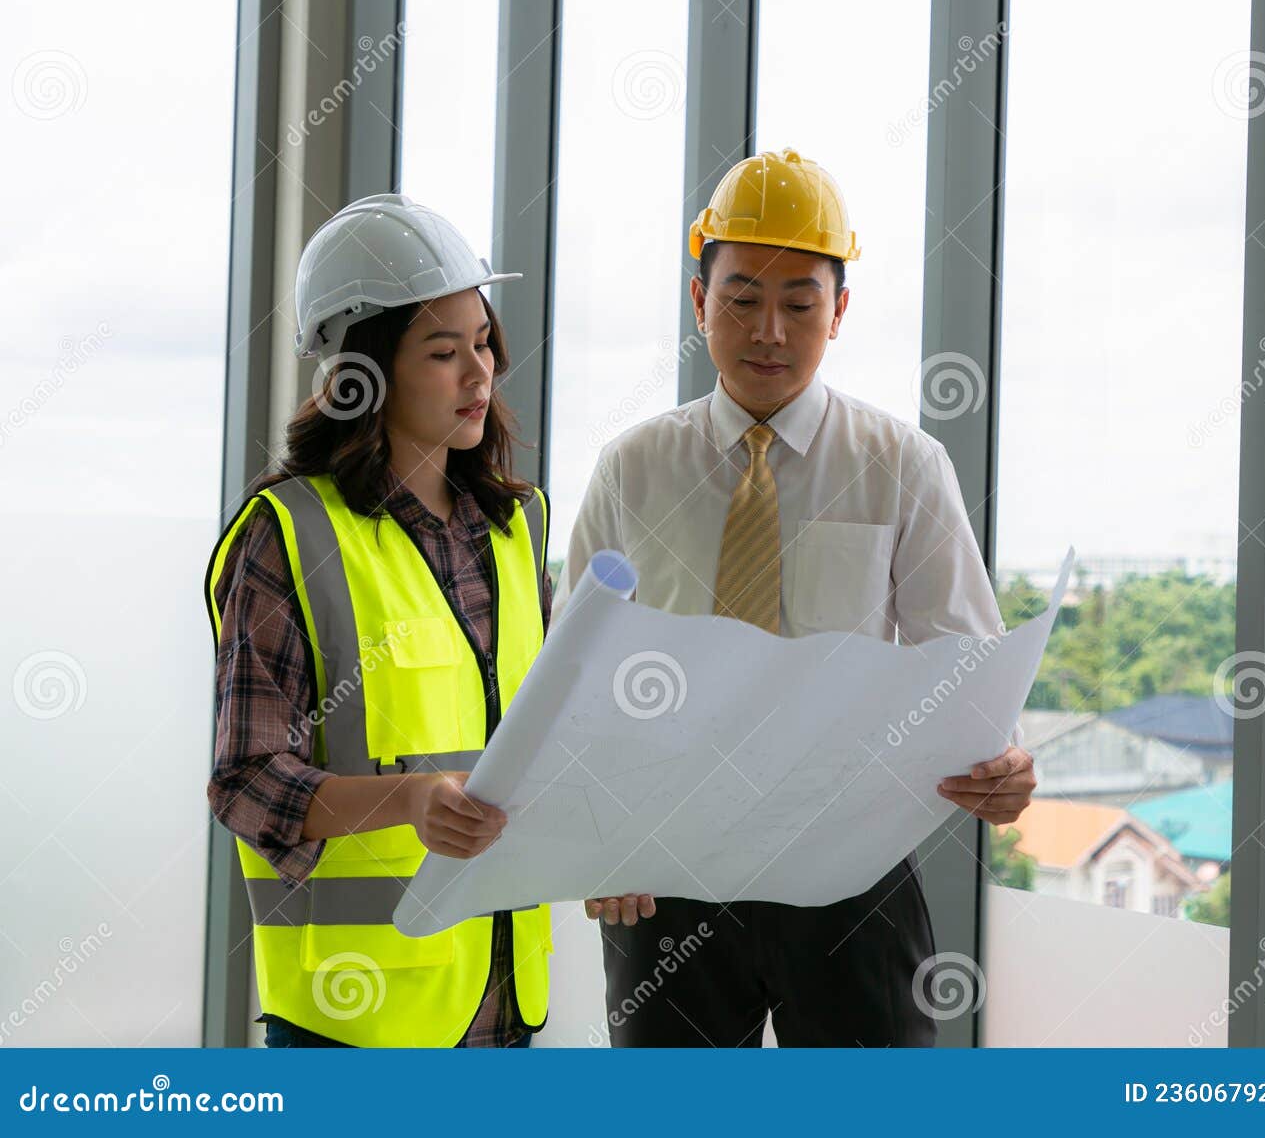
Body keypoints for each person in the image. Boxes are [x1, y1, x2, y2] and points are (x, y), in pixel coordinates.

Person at [553, 149, 1038, 1047]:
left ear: (839, 311)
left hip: (849, 863)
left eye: (800, 303)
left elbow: (968, 667)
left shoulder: (899, 465)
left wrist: (1003, 762)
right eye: (741, 298)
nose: (768, 329)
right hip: (668, 868)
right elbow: (571, 673)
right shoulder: (634, 467)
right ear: (699, 301)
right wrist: (593, 832)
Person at [205, 194, 558, 1048]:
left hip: (505, 1000)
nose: (480, 374)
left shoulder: (516, 527)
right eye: (444, 352)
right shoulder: (289, 535)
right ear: (361, 373)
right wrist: (408, 800)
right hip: (355, 1024)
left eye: (483, 342)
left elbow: (550, 737)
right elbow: (247, 779)